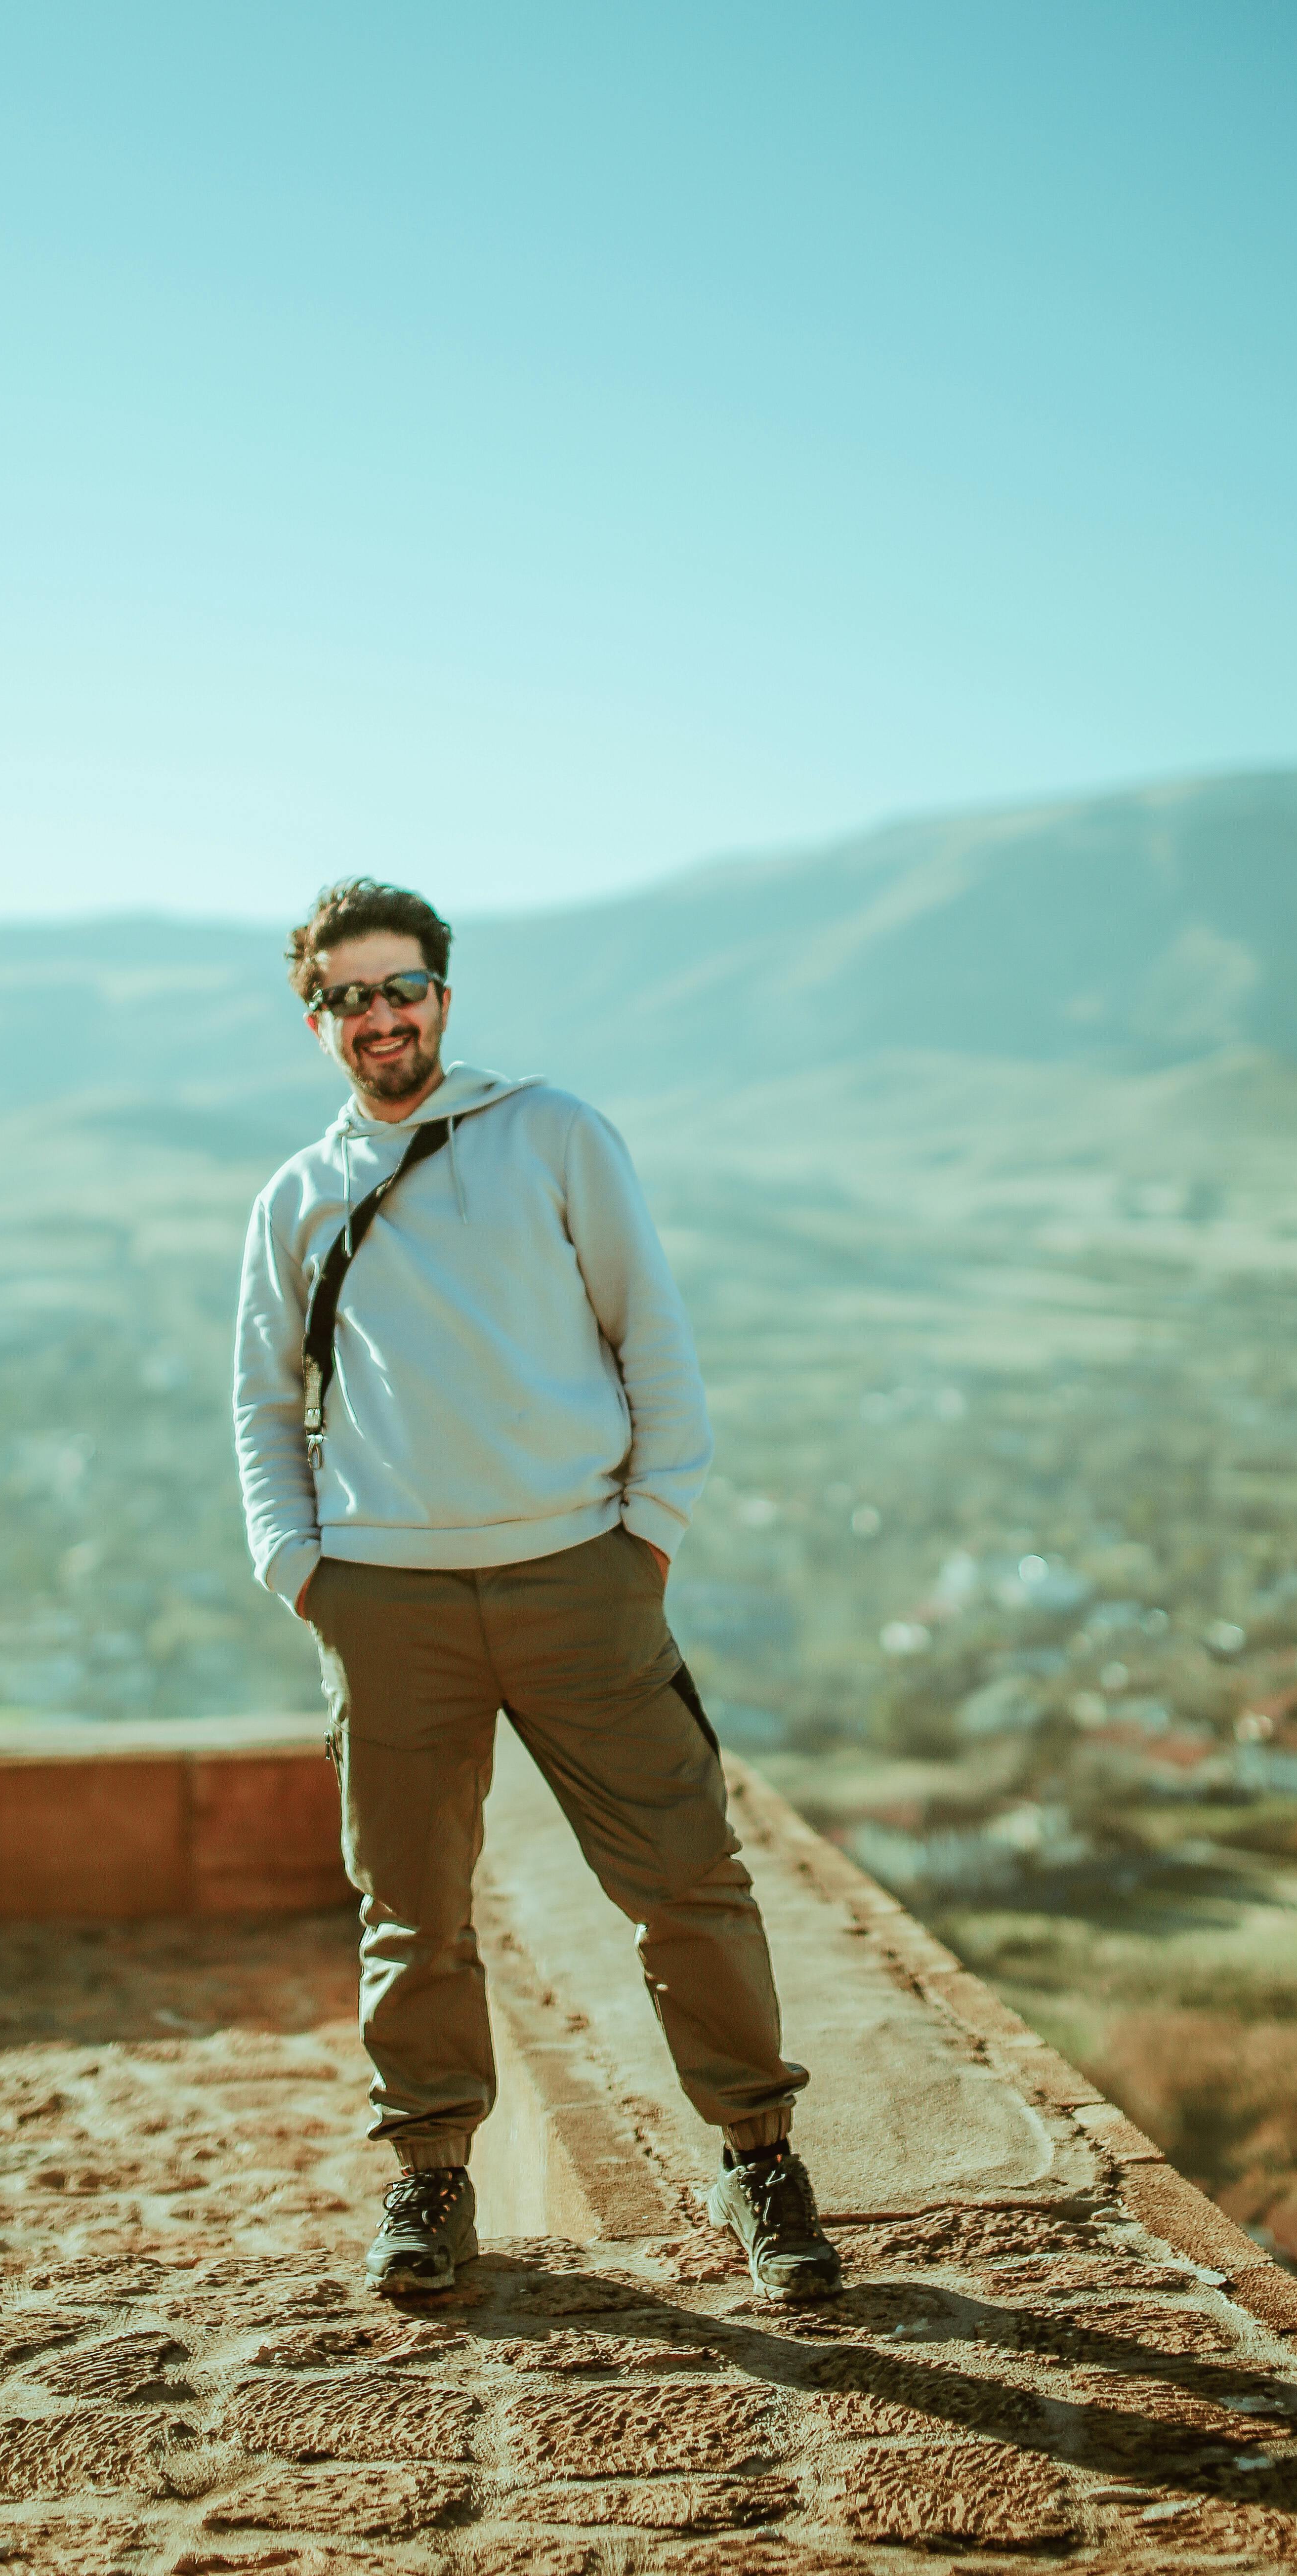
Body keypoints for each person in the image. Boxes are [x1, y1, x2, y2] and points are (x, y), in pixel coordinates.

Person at [233, 875, 840, 2302]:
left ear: (444, 995)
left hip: (582, 1579)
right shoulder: (297, 1199)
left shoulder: (555, 1135)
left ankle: (758, 2158)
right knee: (413, 1912)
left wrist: (647, 1538)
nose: (379, 1016)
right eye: (347, 996)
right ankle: (429, 2179)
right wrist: (302, 1572)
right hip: (387, 1601)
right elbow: (264, 1407)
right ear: (314, 1018)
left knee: (689, 1878)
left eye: (401, 987)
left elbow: (656, 1340)